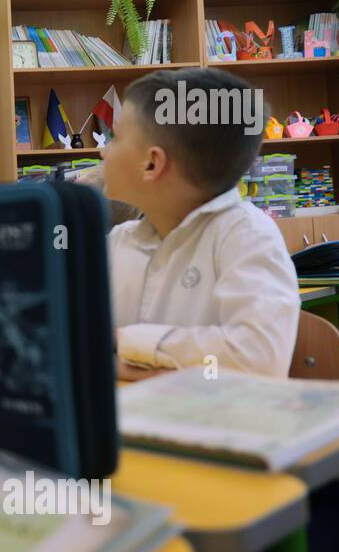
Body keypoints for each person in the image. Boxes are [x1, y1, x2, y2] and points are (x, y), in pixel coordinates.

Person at [101, 68, 300, 378]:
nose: (103, 150)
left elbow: (260, 359)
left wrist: (125, 343)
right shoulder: (118, 241)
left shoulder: (247, 235)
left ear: (152, 163)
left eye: (114, 138)